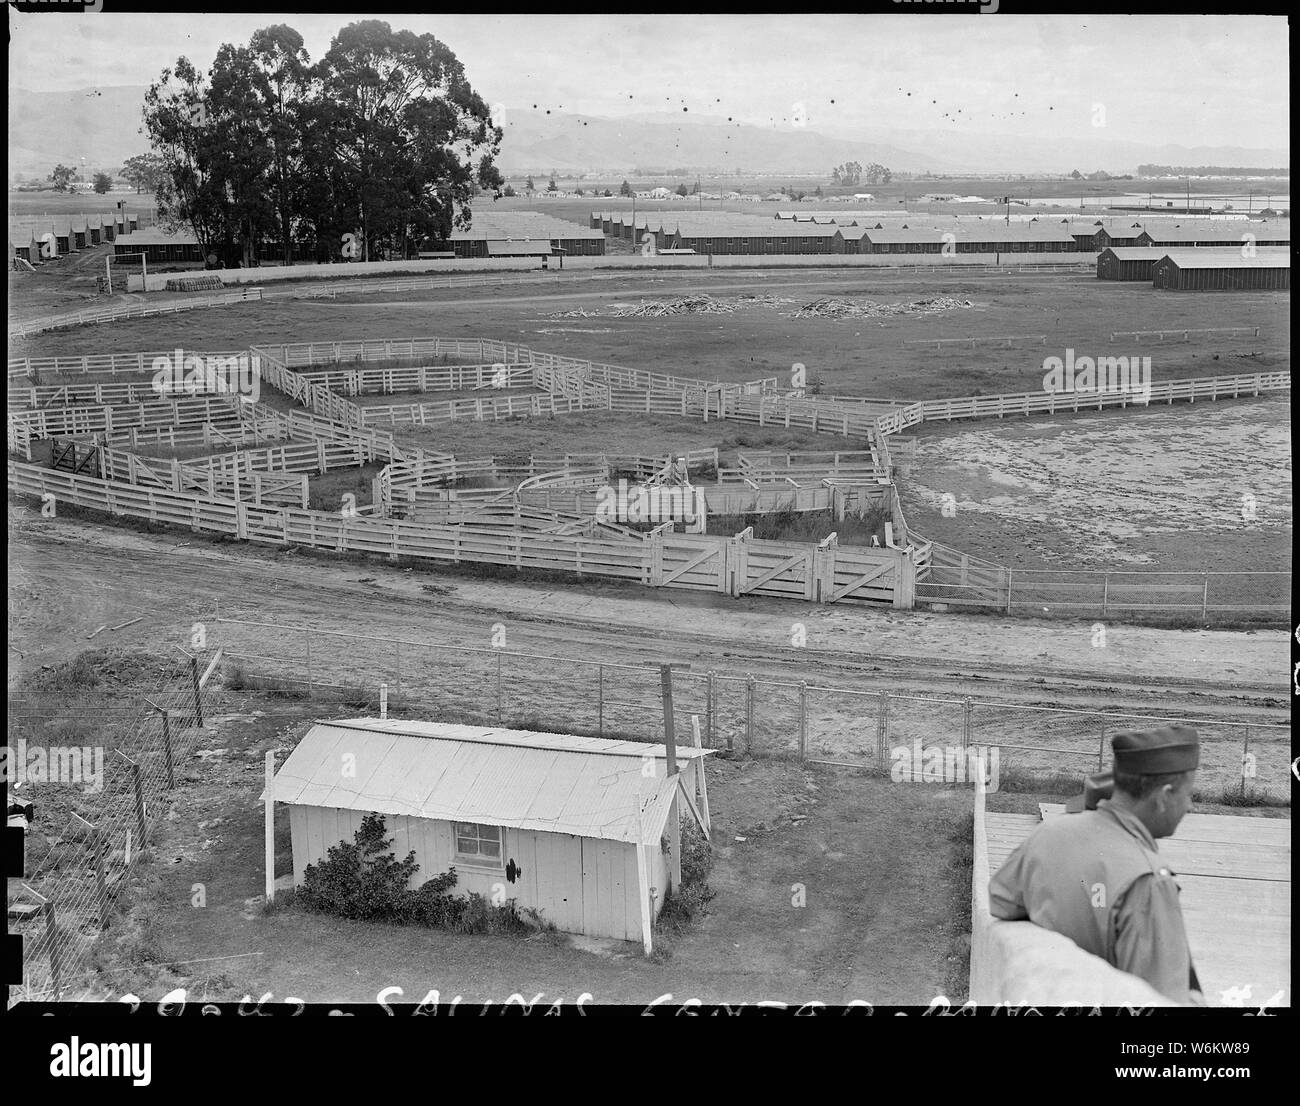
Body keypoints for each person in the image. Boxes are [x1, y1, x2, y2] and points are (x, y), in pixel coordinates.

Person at [988, 724, 1205, 1005]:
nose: (1190, 807)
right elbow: (1163, 999)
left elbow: (1000, 901)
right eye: (1188, 795)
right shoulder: (1149, 880)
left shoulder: (1048, 834)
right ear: (1163, 797)